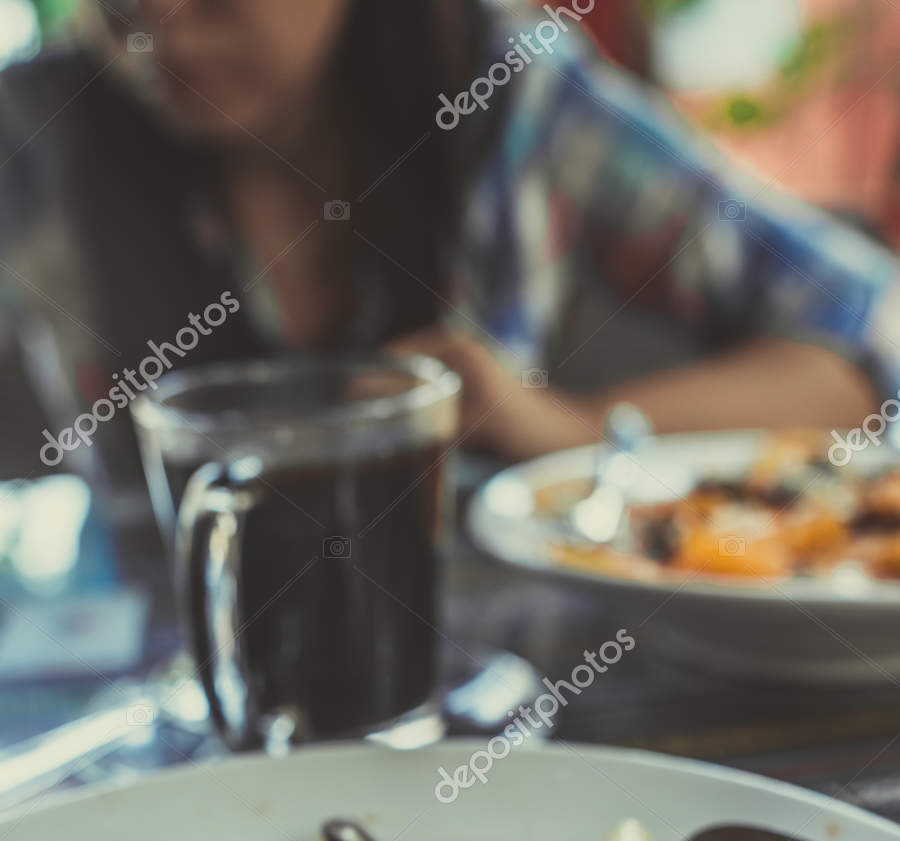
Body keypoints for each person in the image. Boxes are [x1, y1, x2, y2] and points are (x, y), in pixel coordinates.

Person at [1, 0, 896, 488]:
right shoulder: (34, 133)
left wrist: (571, 431)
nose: (162, 32)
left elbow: (867, 335)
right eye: (116, 9)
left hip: (475, 720)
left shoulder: (509, 93)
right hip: (168, 724)